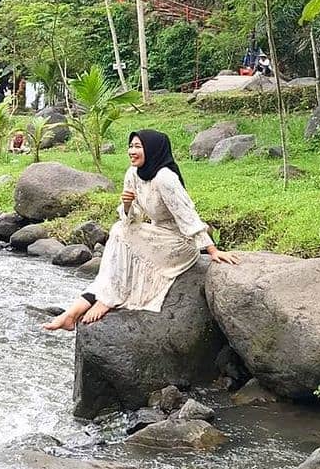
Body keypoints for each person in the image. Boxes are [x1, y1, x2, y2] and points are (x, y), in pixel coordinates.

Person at [43, 129, 238, 331]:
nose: (131, 151)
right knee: (118, 240)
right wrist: (127, 206)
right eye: (131, 146)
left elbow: (187, 215)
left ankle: (106, 299)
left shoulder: (165, 178)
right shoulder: (133, 174)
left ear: (152, 150)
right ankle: (71, 314)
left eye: (138, 146)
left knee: (119, 235)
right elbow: (132, 219)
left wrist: (212, 250)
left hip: (179, 243)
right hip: (156, 235)